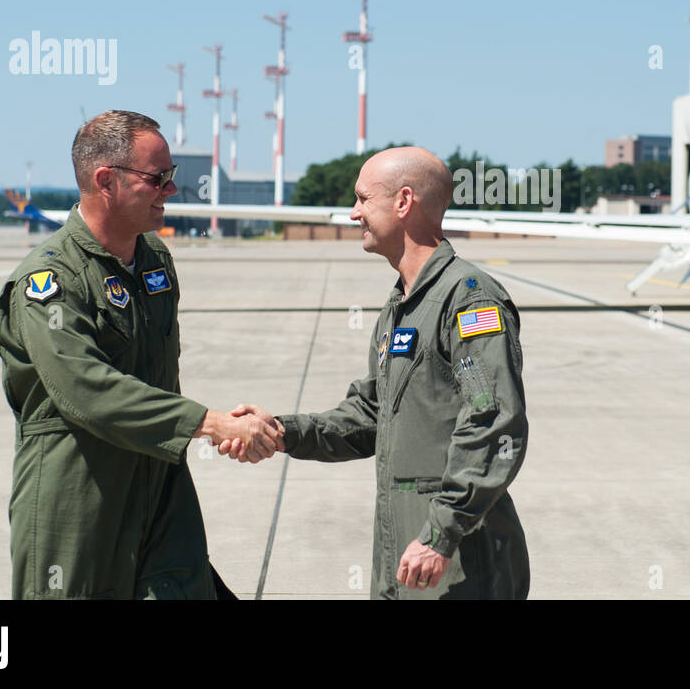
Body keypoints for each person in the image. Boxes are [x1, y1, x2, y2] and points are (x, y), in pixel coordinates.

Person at [0, 110, 284, 599]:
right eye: (159, 178)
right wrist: (209, 423)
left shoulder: (155, 257)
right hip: (81, 496)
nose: (171, 190)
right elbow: (86, 389)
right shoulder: (48, 281)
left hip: (161, 487)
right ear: (106, 180)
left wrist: (219, 426)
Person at [223, 146, 530, 599]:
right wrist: (280, 431)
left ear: (403, 203)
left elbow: (493, 422)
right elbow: (370, 415)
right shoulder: (401, 306)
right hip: (405, 554)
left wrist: (440, 534)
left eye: (364, 199)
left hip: (459, 561)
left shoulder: (469, 300)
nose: (353, 213)